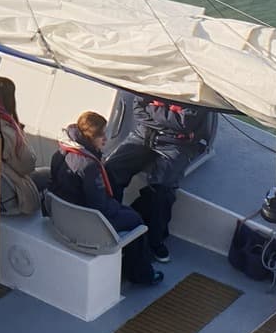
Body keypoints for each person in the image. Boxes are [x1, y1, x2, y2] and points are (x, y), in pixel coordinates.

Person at [47, 111, 165, 284]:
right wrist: (119, 208)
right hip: (86, 221)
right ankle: (141, 274)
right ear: (90, 137)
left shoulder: (60, 152)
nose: (105, 138)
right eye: (101, 135)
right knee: (136, 221)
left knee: (121, 206)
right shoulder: (89, 166)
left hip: (64, 214)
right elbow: (100, 206)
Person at [102, 94, 217, 256]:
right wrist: (169, 122)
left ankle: (153, 241)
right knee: (111, 169)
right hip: (144, 135)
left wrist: (152, 109)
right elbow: (138, 110)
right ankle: (110, 222)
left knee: (162, 190)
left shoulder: (197, 91)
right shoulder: (157, 81)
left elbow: (184, 123)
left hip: (177, 144)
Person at [0, 77, 40, 216]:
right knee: (47, 174)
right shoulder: (8, 132)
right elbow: (28, 166)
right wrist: (21, 135)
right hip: (5, 196)